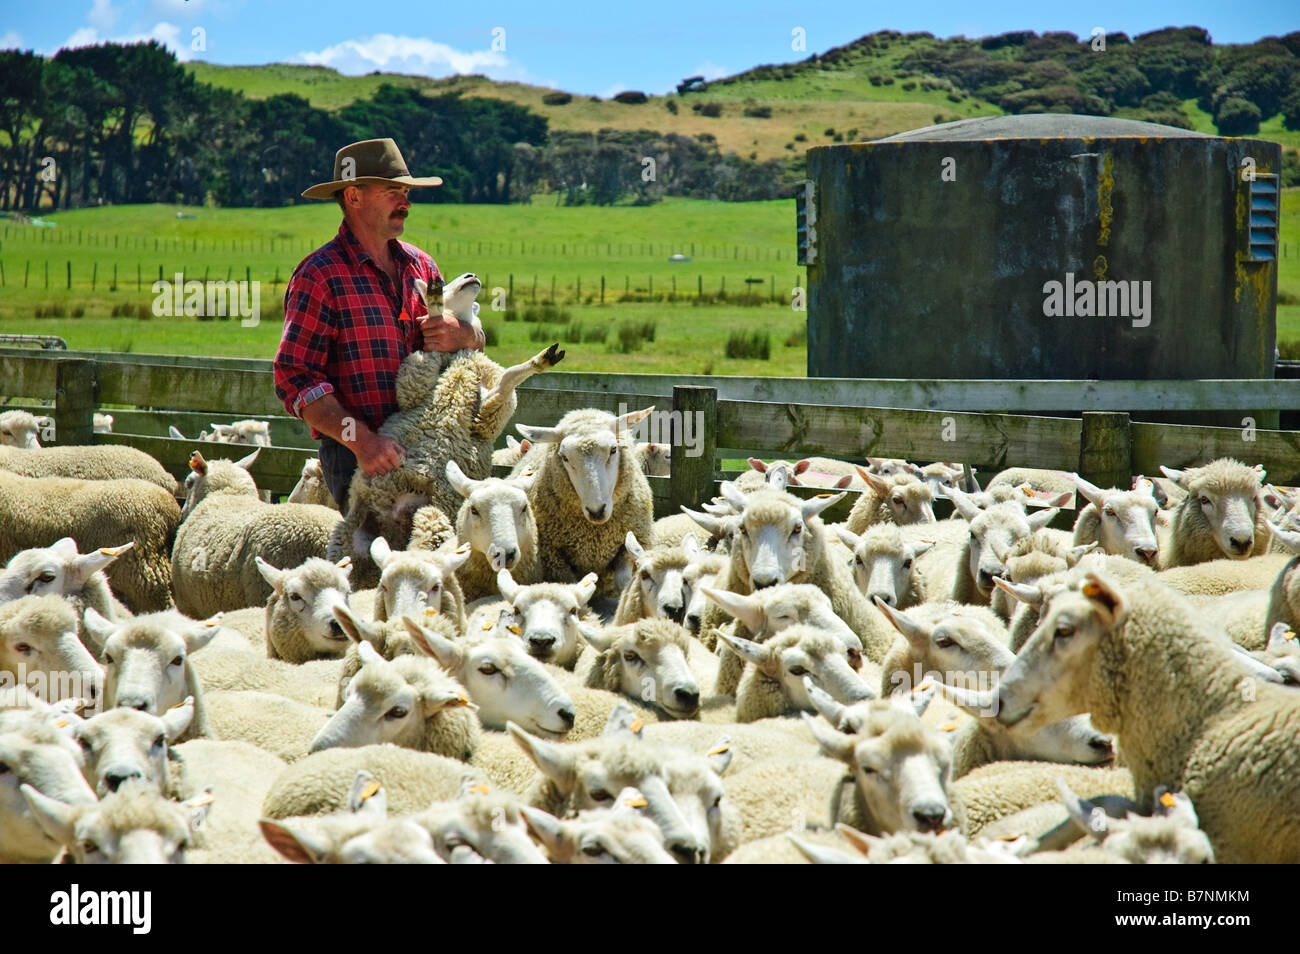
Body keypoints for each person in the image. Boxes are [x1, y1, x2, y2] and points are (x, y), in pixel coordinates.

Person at [273, 138, 485, 510]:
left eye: (406, 192)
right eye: (392, 192)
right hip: (358, 461)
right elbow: (295, 379)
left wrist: (466, 334)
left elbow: (466, 338)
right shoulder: (319, 277)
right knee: (373, 565)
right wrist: (363, 442)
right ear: (353, 197)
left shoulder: (423, 267)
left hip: (430, 451)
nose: (405, 202)